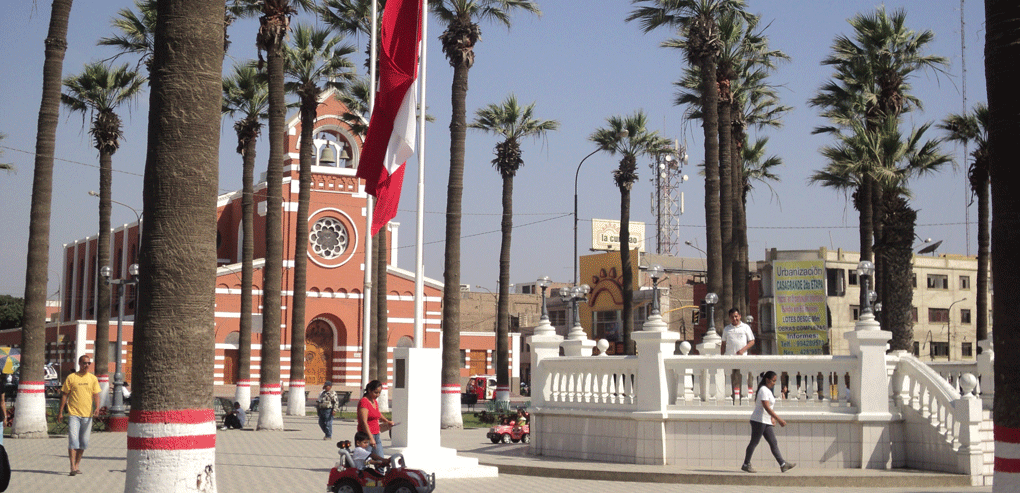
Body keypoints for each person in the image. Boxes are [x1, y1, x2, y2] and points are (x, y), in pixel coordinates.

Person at [742, 371, 795, 474]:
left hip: (765, 421)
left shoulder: (768, 390)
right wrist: (779, 419)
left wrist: (772, 418)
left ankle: (783, 464)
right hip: (759, 420)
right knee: (754, 442)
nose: (774, 383)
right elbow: (766, 406)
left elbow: (769, 407)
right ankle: (746, 464)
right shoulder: (763, 390)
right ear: (767, 380)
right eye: (773, 380)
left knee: (773, 442)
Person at [58, 355, 101, 477]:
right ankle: (72, 466)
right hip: (74, 414)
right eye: (84, 363)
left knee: (84, 442)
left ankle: (77, 465)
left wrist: (97, 408)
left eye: (88, 363)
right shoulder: (71, 377)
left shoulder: (93, 378)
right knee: (73, 440)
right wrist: (61, 411)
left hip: (87, 415)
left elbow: (96, 395)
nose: (86, 365)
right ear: (79, 363)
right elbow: (65, 395)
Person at [357, 380, 394, 457]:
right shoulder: (364, 402)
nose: (377, 395)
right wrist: (370, 438)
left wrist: (387, 421)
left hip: (376, 434)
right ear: (369, 390)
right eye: (375, 392)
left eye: (379, 393)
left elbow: (377, 414)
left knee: (380, 459)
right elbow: (364, 422)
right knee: (364, 460)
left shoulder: (374, 401)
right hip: (366, 436)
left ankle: (379, 469)